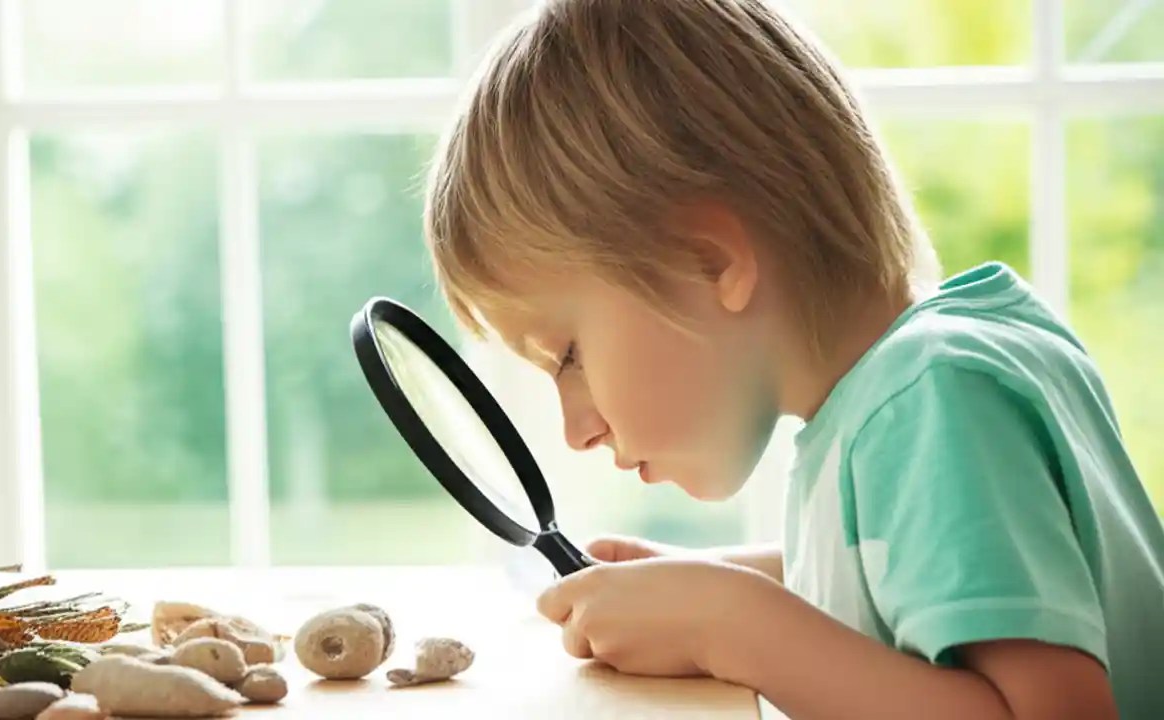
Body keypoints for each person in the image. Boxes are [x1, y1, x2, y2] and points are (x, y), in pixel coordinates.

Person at [418, 0, 1164, 717]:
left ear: (710, 263)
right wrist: (710, 585)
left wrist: (730, 623)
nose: (576, 429)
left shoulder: (934, 399)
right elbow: (909, 578)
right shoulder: (942, 364)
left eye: (568, 355)